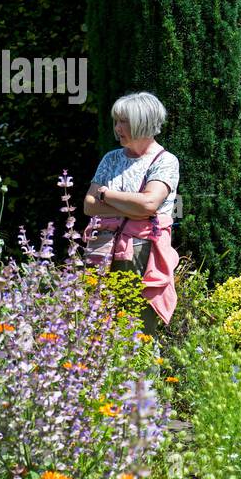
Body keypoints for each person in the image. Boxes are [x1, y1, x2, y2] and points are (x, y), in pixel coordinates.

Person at [83, 91, 181, 329]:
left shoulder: (165, 161)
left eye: (123, 121)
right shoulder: (111, 159)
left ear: (142, 122)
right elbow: (89, 205)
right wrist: (133, 207)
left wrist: (107, 194)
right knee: (102, 325)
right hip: (102, 248)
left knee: (139, 328)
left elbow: (149, 205)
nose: (117, 128)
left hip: (143, 252)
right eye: (116, 121)